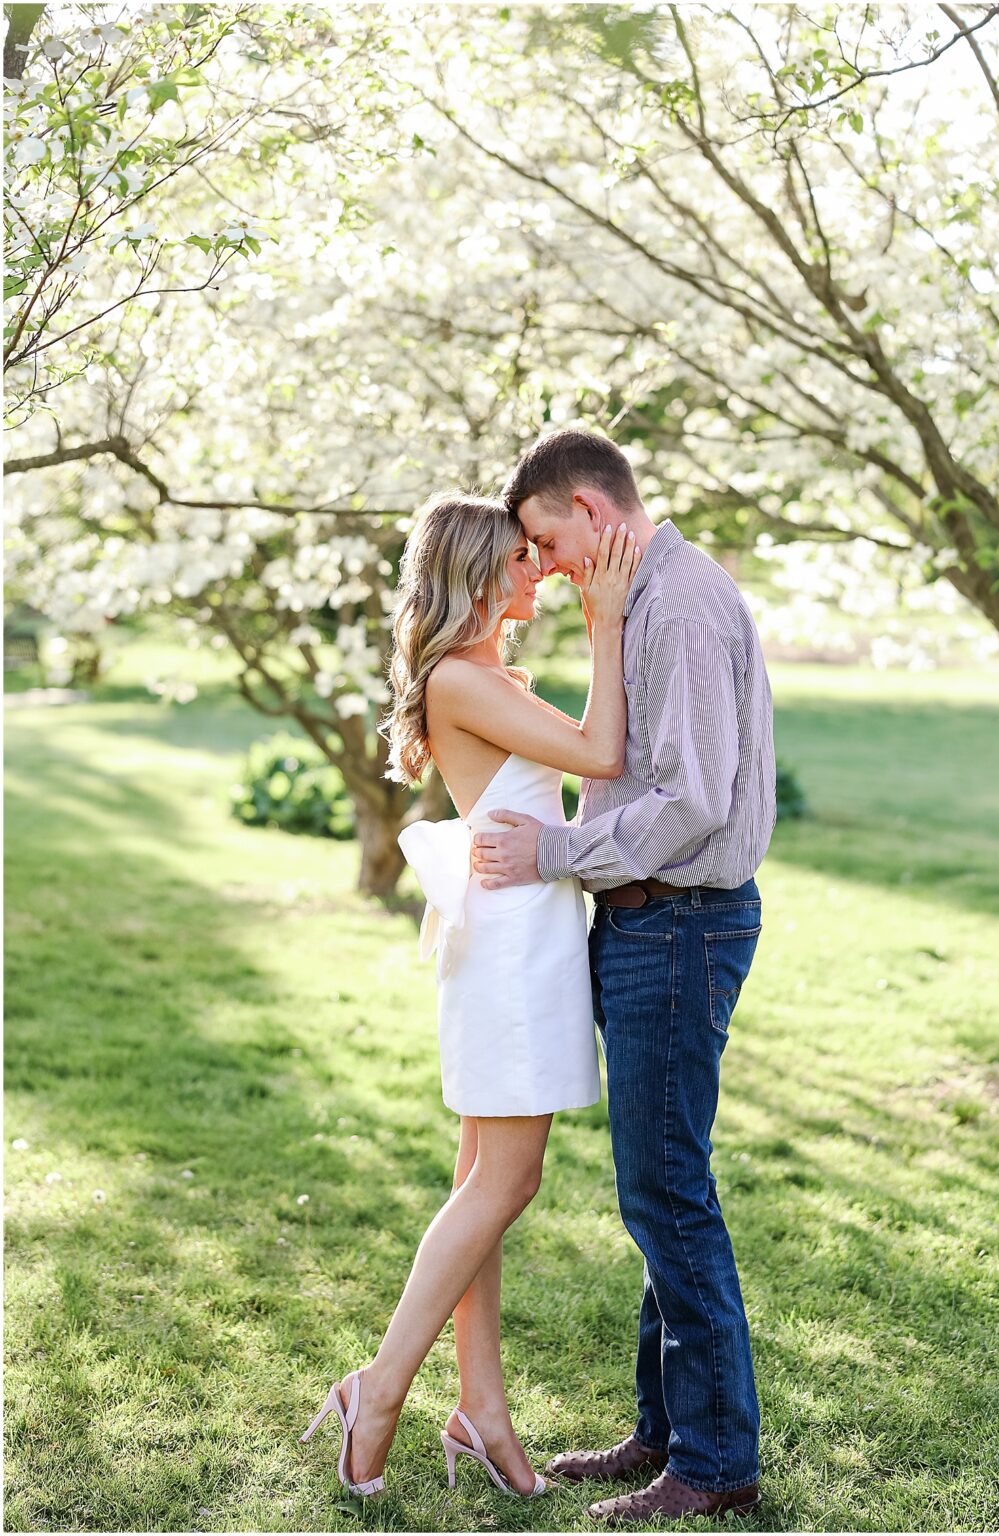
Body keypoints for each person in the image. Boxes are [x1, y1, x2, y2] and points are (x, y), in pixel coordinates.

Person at [299, 491, 641, 1498]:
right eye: (521, 557)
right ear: (477, 573)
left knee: (481, 1188)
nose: (540, 566)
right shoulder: (461, 678)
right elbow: (601, 753)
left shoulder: (491, 672)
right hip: (508, 954)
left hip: (525, 934)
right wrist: (609, 623)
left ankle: (481, 1410)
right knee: (507, 1183)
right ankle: (383, 1385)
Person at [470, 428, 776, 1528]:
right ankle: (666, 1429)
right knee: (658, 1189)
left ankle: (714, 1463)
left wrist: (550, 853)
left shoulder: (683, 606)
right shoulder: (642, 604)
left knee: (668, 1196)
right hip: (647, 926)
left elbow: (691, 804)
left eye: (547, 539)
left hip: (681, 926)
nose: (542, 565)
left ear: (595, 513)